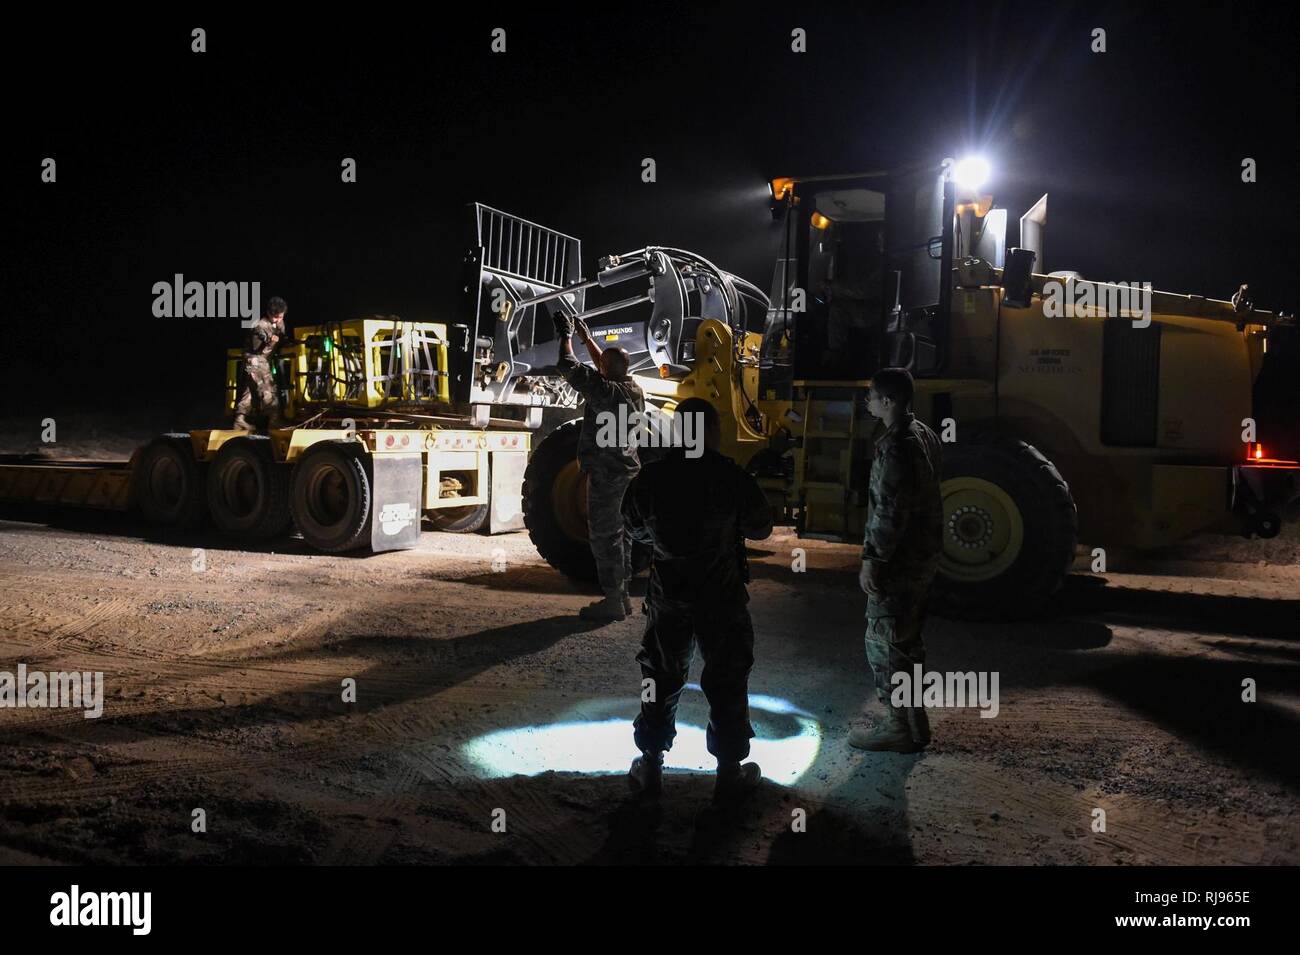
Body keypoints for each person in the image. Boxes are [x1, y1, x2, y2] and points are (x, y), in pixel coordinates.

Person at [622, 398, 774, 804]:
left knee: (660, 676)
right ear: (710, 431)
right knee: (726, 678)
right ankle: (728, 772)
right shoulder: (729, 476)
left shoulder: (651, 478)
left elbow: (633, 527)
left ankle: (651, 764)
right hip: (720, 597)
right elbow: (762, 527)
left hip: (669, 596)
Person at [852, 366, 943, 752]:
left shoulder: (896, 446)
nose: (867, 400)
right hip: (921, 559)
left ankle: (898, 726)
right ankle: (914, 720)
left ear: (888, 401)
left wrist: (873, 559)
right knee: (907, 642)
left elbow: (890, 510)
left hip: (898, 564)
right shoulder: (923, 434)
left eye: (872, 394)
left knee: (885, 642)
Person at [554, 312, 646, 621]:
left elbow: (568, 366)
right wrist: (587, 338)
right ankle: (623, 598)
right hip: (628, 473)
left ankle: (611, 601)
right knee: (624, 537)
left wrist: (565, 336)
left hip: (607, 476)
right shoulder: (632, 389)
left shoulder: (605, 391)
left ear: (606, 370)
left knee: (604, 538)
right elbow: (604, 368)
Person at [233, 296, 290, 431]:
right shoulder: (260, 325)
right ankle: (274, 420)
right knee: (268, 388)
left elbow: (283, 337)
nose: (278, 319)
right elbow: (257, 348)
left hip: (263, 360)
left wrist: (283, 341)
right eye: (275, 317)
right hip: (256, 359)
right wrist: (270, 340)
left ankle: (239, 420)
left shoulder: (280, 324)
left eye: (280, 316)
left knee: (250, 391)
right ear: (269, 314)